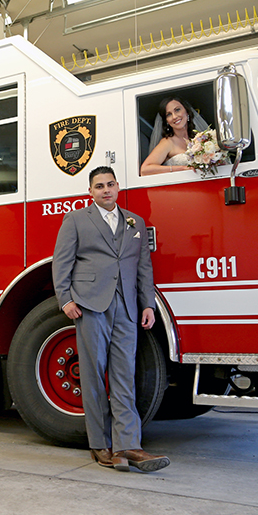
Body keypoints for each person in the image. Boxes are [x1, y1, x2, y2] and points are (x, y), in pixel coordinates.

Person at [52, 165, 170, 472]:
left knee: (124, 376)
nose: (106, 190)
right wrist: (65, 299)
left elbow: (143, 266)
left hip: (127, 307)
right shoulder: (76, 220)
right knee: (93, 375)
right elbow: (61, 262)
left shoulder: (135, 222)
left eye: (110, 184)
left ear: (118, 187)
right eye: (99, 186)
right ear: (90, 192)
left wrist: (147, 304)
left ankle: (128, 446)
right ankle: (99, 444)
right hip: (91, 304)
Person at [140, 96, 206, 176]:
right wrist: (181, 168)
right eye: (169, 114)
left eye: (177, 110)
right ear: (167, 121)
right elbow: (144, 170)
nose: (174, 116)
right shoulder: (167, 142)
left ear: (187, 112)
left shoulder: (200, 138)